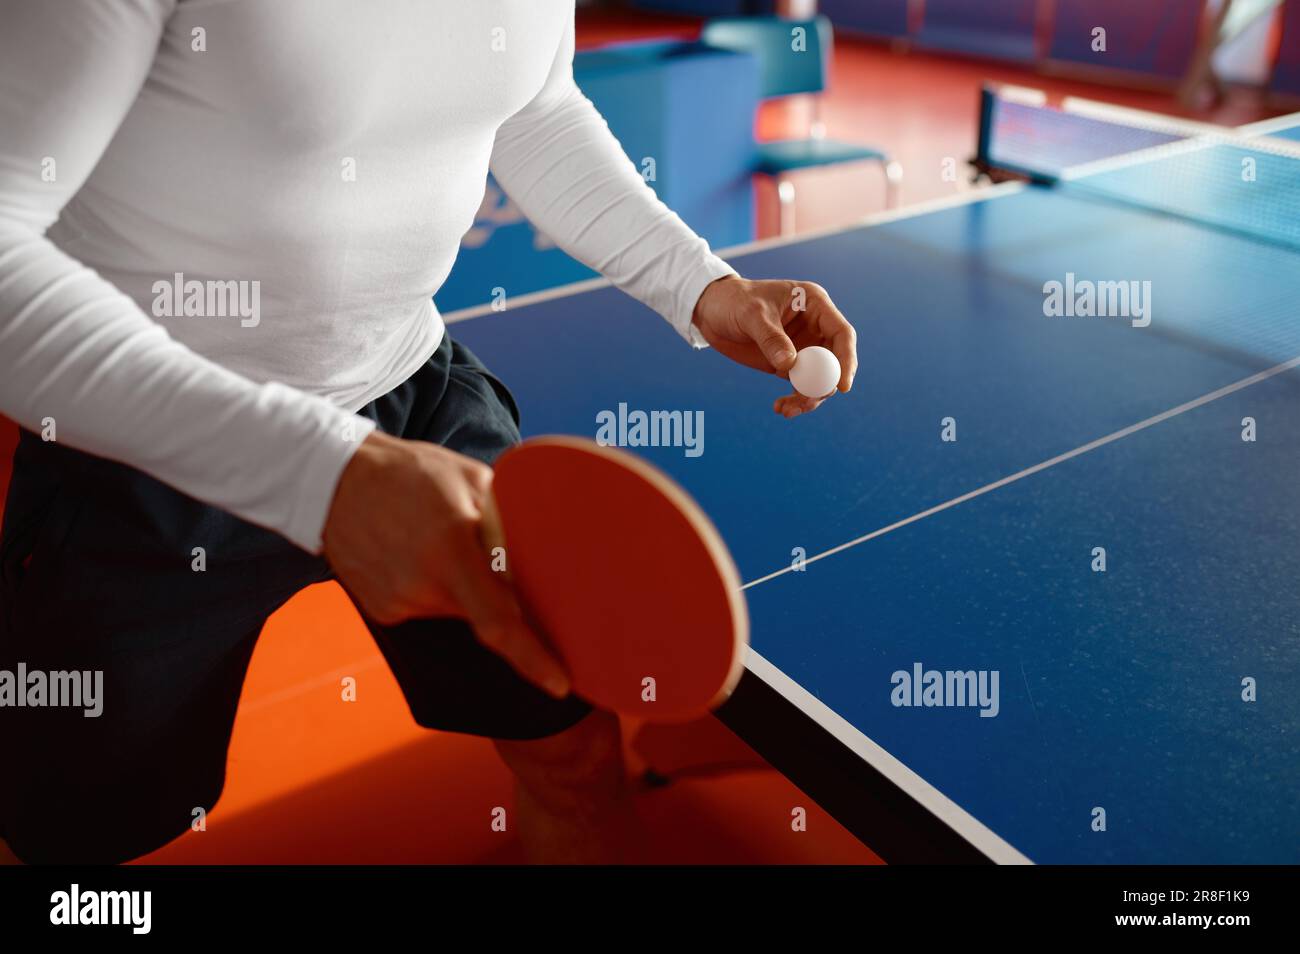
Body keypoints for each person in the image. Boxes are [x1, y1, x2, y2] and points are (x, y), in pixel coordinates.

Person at [0, 0, 856, 864]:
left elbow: (536, 107)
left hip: (411, 388)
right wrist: (323, 475)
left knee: (571, 751)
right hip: (155, 437)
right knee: (77, 849)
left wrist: (700, 288)